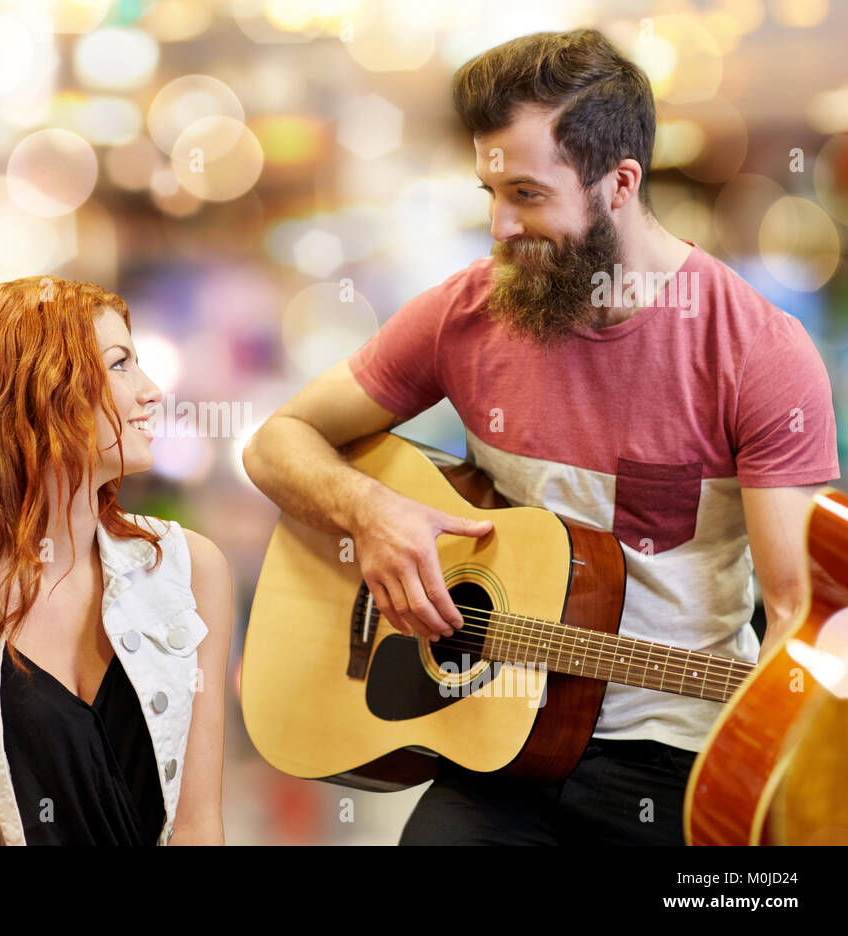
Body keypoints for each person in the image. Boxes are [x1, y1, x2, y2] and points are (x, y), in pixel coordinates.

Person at [242, 29, 839, 845]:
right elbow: (277, 441)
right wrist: (368, 513)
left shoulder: (757, 352)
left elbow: (799, 616)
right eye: (490, 191)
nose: (498, 225)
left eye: (526, 195)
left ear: (619, 182)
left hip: (672, 758)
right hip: (498, 739)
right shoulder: (468, 310)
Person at [0, 276, 232, 845]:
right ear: (39, 391)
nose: (152, 391)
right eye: (121, 364)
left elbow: (199, 825)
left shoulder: (189, 569)